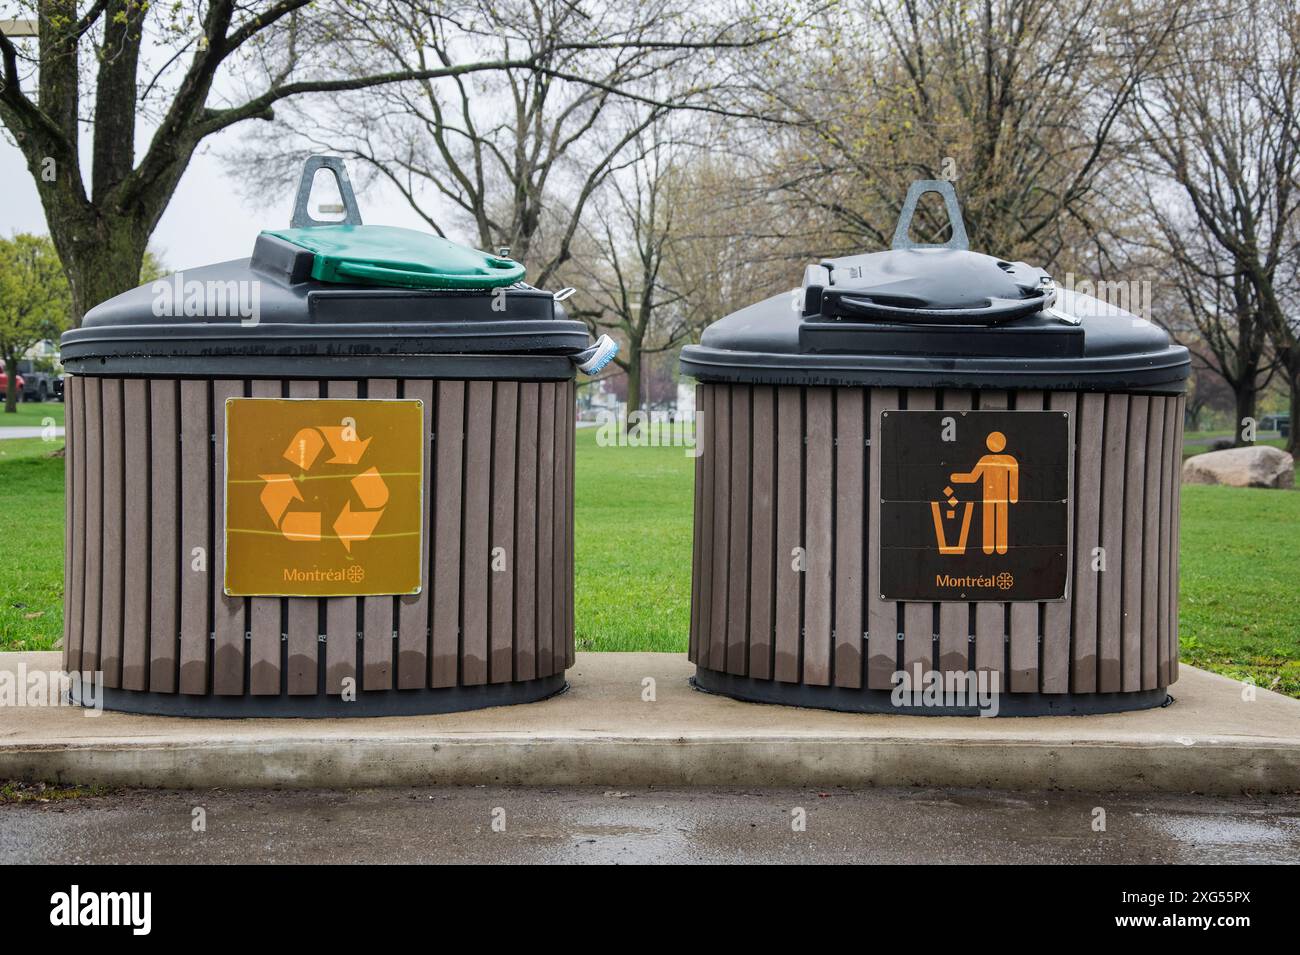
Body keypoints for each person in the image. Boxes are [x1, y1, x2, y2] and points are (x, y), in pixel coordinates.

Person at [949, 431, 1019, 555]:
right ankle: (991, 547)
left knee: (998, 519)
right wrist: (957, 477)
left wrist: (1013, 496)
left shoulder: (1006, 460)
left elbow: (1013, 478)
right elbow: (973, 477)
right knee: (992, 520)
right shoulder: (1002, 459)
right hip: (990, 496)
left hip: (994, 496)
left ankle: (997, 547)